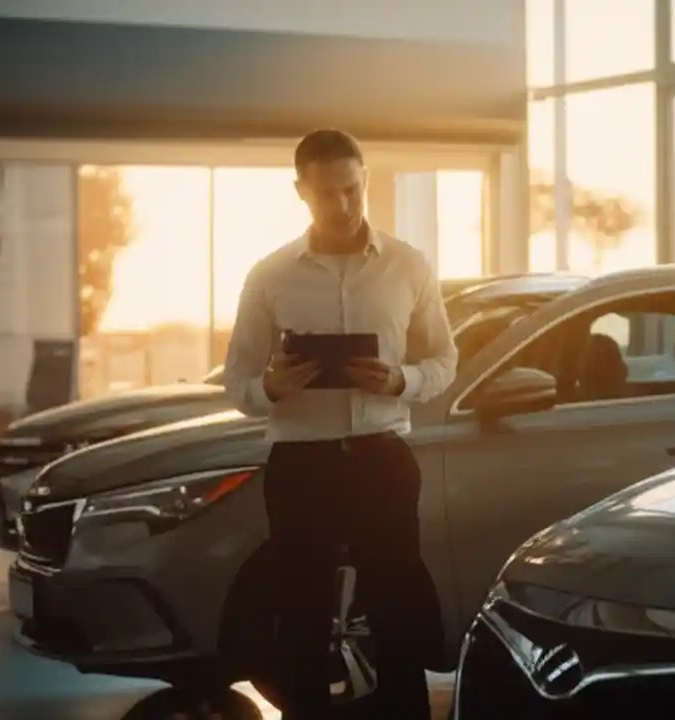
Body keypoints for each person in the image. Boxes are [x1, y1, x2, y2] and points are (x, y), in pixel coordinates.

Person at [223, 129, 457, 719]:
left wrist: (401, 380)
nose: (345, 205)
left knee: (396, 604)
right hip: (302, 461)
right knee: (300, 609)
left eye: (352, 189)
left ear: (366, 180)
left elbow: (444, 360)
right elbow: (237, 381)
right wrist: (271, 388)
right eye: (328, 194)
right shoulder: (270, 274)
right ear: (301, 192)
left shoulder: (409, 265)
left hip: (383, 456)